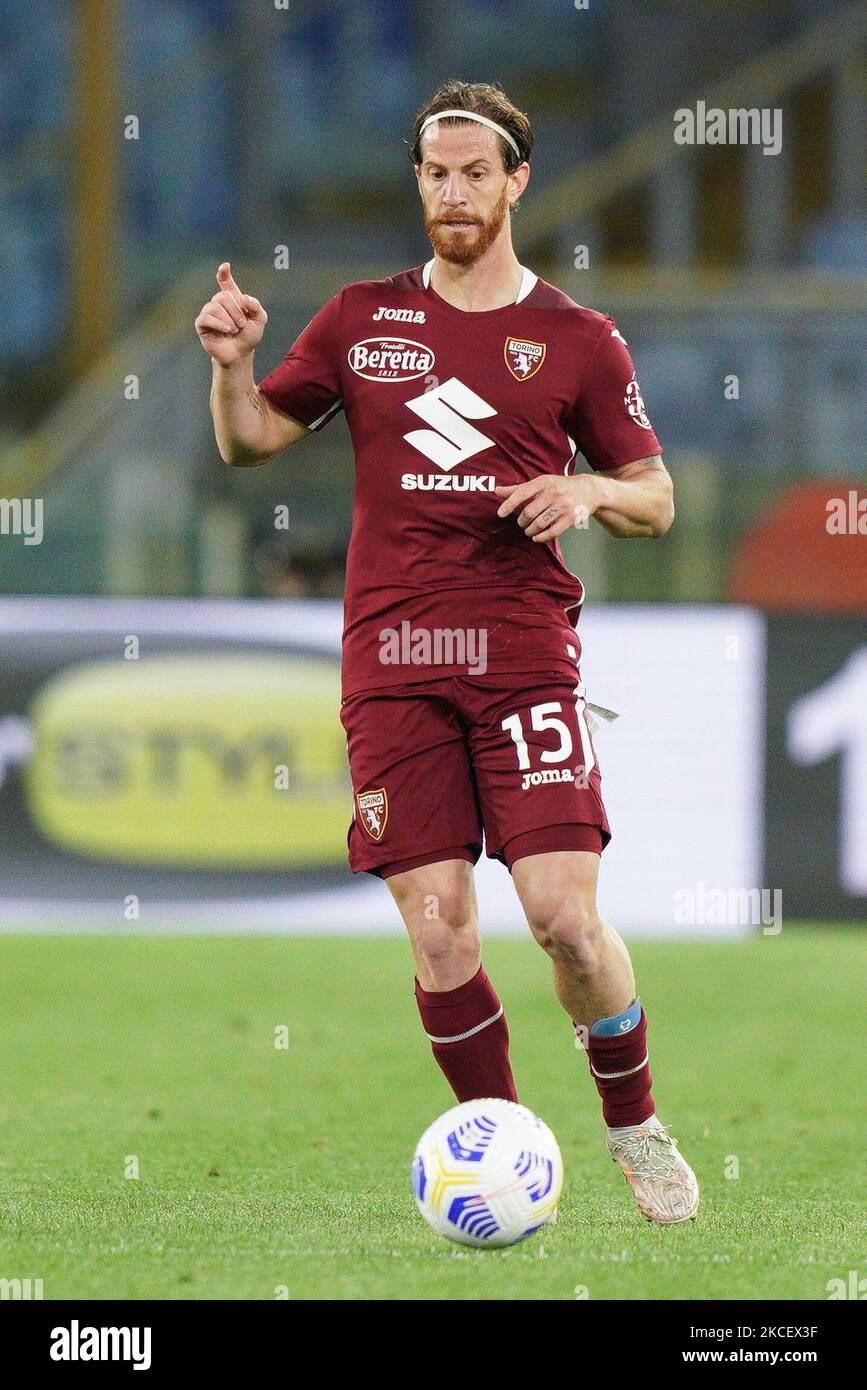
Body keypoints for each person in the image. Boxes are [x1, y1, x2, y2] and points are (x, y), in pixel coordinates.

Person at [195, 80, 698, 1224]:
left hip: (523, 657)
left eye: (477, 173)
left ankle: (633, 1116)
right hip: (393, 660)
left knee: (565, 918)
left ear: (518, 183)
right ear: (418, 181)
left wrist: (583, 487)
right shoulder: (362, 317)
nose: (454, 192)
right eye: (436, 173)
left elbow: (657, 499)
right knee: (437, 927)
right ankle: (512, 1148)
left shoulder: (576, 339)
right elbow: (253, 442)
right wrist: (230, 366)